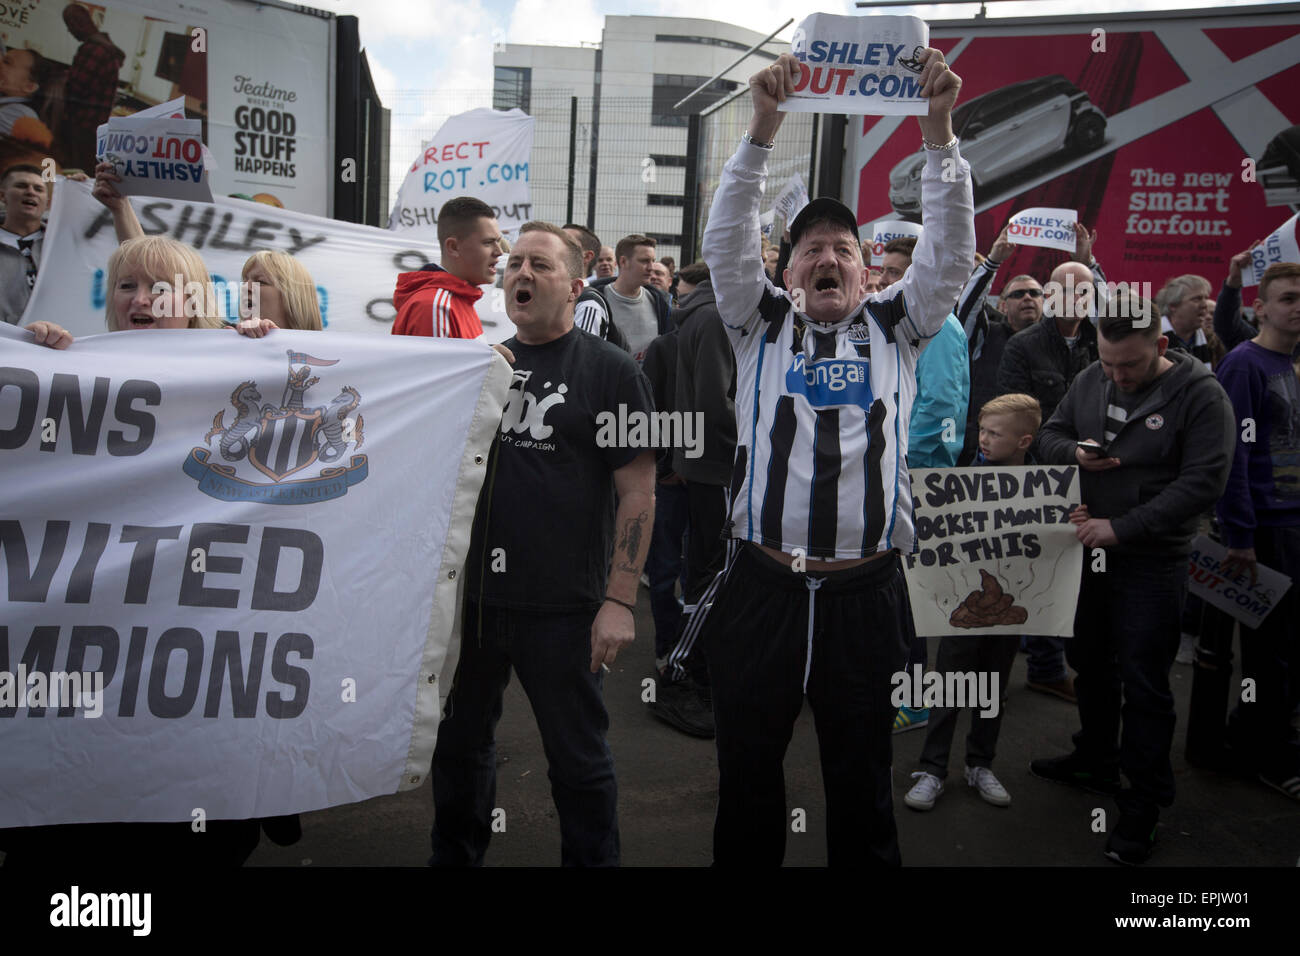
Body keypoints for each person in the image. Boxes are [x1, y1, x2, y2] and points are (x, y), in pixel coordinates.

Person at [698, 49, 973, 866]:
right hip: (762, 590)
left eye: (841, 250)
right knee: (746, 782)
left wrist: (938, 132)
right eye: (808, 248)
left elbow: (951, 251)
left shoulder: (901, 325)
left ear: (866, 272)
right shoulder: (758, 322)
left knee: (862, 785)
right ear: (785, 271)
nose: (825, 257)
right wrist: (762, 129)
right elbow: (723, 240)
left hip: (866, 598)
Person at [430, 221, 656, 867]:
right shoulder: (479, 362)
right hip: (473, 604)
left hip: (564, 606)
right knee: (459, 750)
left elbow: (639, 492)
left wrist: (619, 601)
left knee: (577, 761)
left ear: (576, 285)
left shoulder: (611, 371)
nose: (521, 274)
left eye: (540, 265)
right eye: (514, 264)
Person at [1032, 290, 1234, 865]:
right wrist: (1075, 452)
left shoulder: (1202, 395)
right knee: (1089, 661)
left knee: (1145, 682)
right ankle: (1095, 757)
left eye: (1131, 364)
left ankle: (1143, 804)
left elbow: (1202, 483)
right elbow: (1049, 434)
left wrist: (1123, 527)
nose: (1118, 375)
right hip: (1088, 552)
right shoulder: (1094, 376)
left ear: (1161, 345)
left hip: (1152, 561)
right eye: (1108, 362)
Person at [904, 393, 1042, 811]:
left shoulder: (1043, 485)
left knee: (993, 687)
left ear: (1023, 441)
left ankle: (980, 763)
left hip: (1010, 607)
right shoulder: (966, 476)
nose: (983, 438)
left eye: (995, 433)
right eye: (981, 429)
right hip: (961, 606)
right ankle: (932, 768)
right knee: (949, 683)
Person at [1214, 261, 1300, 801]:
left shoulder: (1293, 364)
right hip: (1266, 531)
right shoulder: (1245, 364)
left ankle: (1253, 738)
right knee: (1272, 653)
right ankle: (1268, 756)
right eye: (1288, 298)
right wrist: (1240, 534)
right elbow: (1232, 458)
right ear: (1260, 307)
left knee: (1289, 649)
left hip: (1294, 523)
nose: (1298, 306)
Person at [650, 261, 725, 738]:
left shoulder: (706, 316)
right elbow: (715, 403)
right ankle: (679, 673)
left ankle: (695, 672)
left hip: (705, 467)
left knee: (708, 570)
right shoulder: (715, 318)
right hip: (716, 469)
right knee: (711, 573)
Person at [391, 196, 500, 340]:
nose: (499, 251)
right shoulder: (435, 308)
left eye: (498, 241)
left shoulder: (458, 300)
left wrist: (490, 355)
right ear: (453, 247)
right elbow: (437, 363)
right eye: (488, 242)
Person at [574, 233, 671, 362]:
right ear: (623, 261)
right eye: (644, 261)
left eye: (653, 261)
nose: (651, 267)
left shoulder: (659, 302)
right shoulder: (596, 300)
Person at [57, 3, 125, 170]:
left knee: (73, 170)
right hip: (95, 128)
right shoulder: (107, 46)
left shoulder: (92, 50)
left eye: (69, 26)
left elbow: (75, 89)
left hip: (81, 126)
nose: (69, 32)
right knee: (85, 169)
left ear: (76, 23)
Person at [0, 163, 48, 325]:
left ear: (47, 202)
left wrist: (79, 189)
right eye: (21, 186)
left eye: (38, 189)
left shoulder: (63, 244)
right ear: (2, 196)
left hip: (59, 343)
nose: (30, 192)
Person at [1157, 274, 1214, 368]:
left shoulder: (1212, 342)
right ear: (1173, 306)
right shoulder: (1151, 338)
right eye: (1197, 299)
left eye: (1206, 298)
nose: (1204, 305)